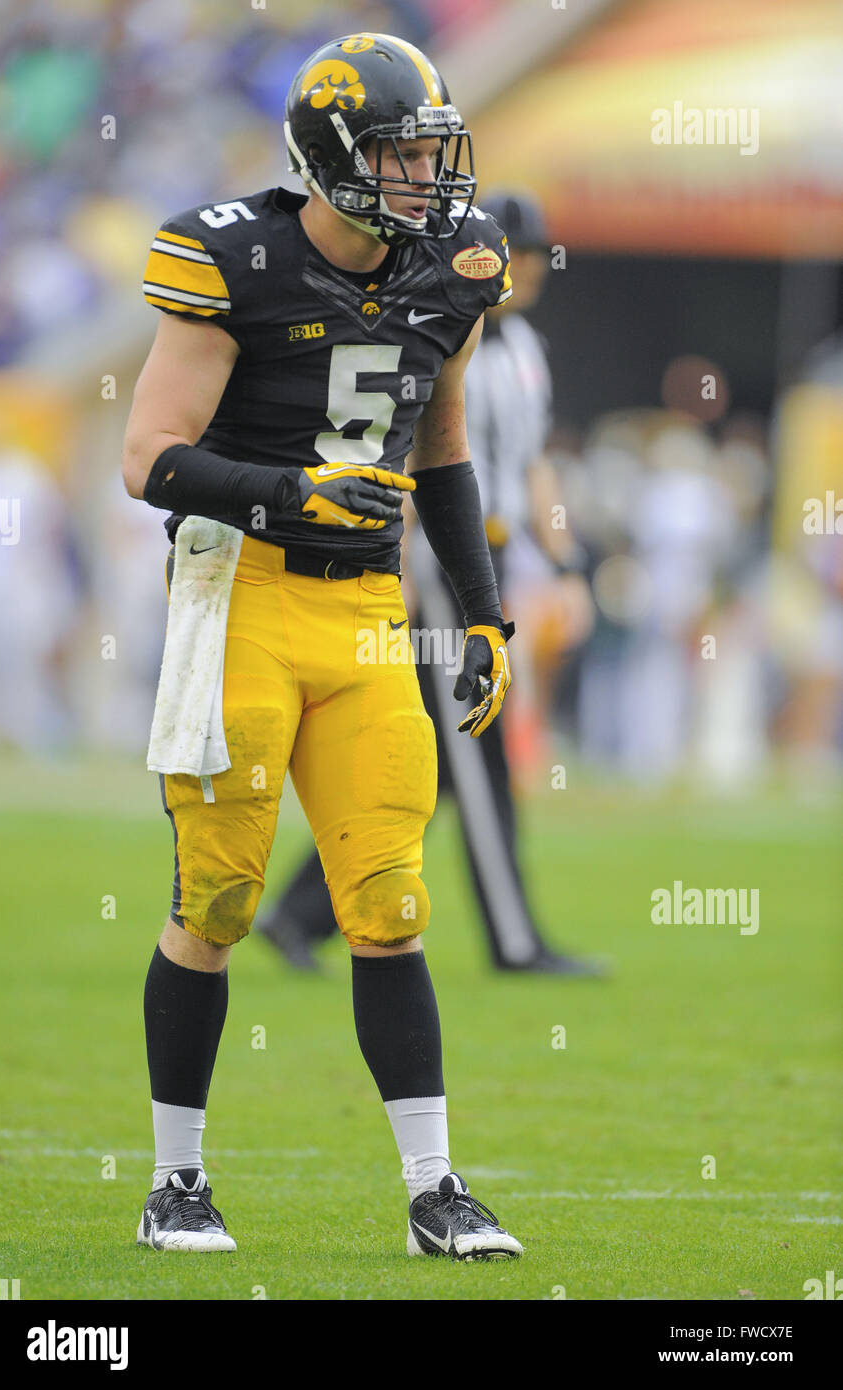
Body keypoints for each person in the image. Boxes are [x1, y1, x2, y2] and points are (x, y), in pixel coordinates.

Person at [122, 32, 523, 1259]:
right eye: (401, 157)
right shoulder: (231, 254)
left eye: (429, 155)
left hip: (364, 618)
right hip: (234, 599)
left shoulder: (451, 268)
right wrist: (287, 495)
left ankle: (434, 1192)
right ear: (333, 159)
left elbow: (441, 444)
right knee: (220, 899)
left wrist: (483, 606)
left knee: (389, 905)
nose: (425, 180)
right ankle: (176, 1182)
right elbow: (149, 460)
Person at [256, 190, 603, 974]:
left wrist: (566, 560)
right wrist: (404, 577)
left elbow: (531, 464)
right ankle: (515, 941)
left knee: (445, 765)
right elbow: (426, 465)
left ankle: (296, 913)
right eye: (519, 253)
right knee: (478, 758)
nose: (530, 269)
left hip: (496, 562)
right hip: (449, 563)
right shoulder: (451, 336)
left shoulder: (524, 353)